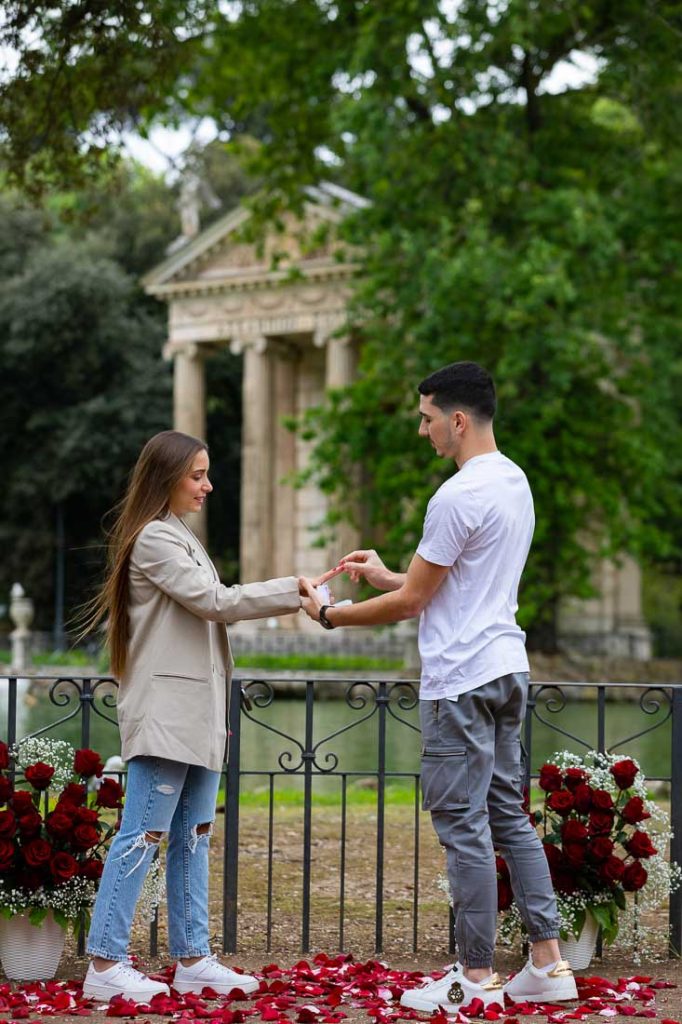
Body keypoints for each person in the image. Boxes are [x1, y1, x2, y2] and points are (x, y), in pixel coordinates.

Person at [300, 362, 578, 1011]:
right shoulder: (514, 482)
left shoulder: (456, 495)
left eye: (426, 419)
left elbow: (414, 605)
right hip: (507, 668)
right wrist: (387, 573)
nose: (422, 430)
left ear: (456, 420)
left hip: (460, 683)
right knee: (509, 817)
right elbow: (444, 585)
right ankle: (548, 965)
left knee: (463, 825)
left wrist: (329, 614)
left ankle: (473, 979)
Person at [80, 430, 334, 1003]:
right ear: (165, 477)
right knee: (141, 836)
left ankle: (192, 957)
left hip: (197, 718)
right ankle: (104, 962)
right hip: (168, 718)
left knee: (192, 837)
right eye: (197, 474)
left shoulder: (180, 537)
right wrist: (292, 590)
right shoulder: (153, 540)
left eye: (206, 473)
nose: (208, 484)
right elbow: (214, 602)